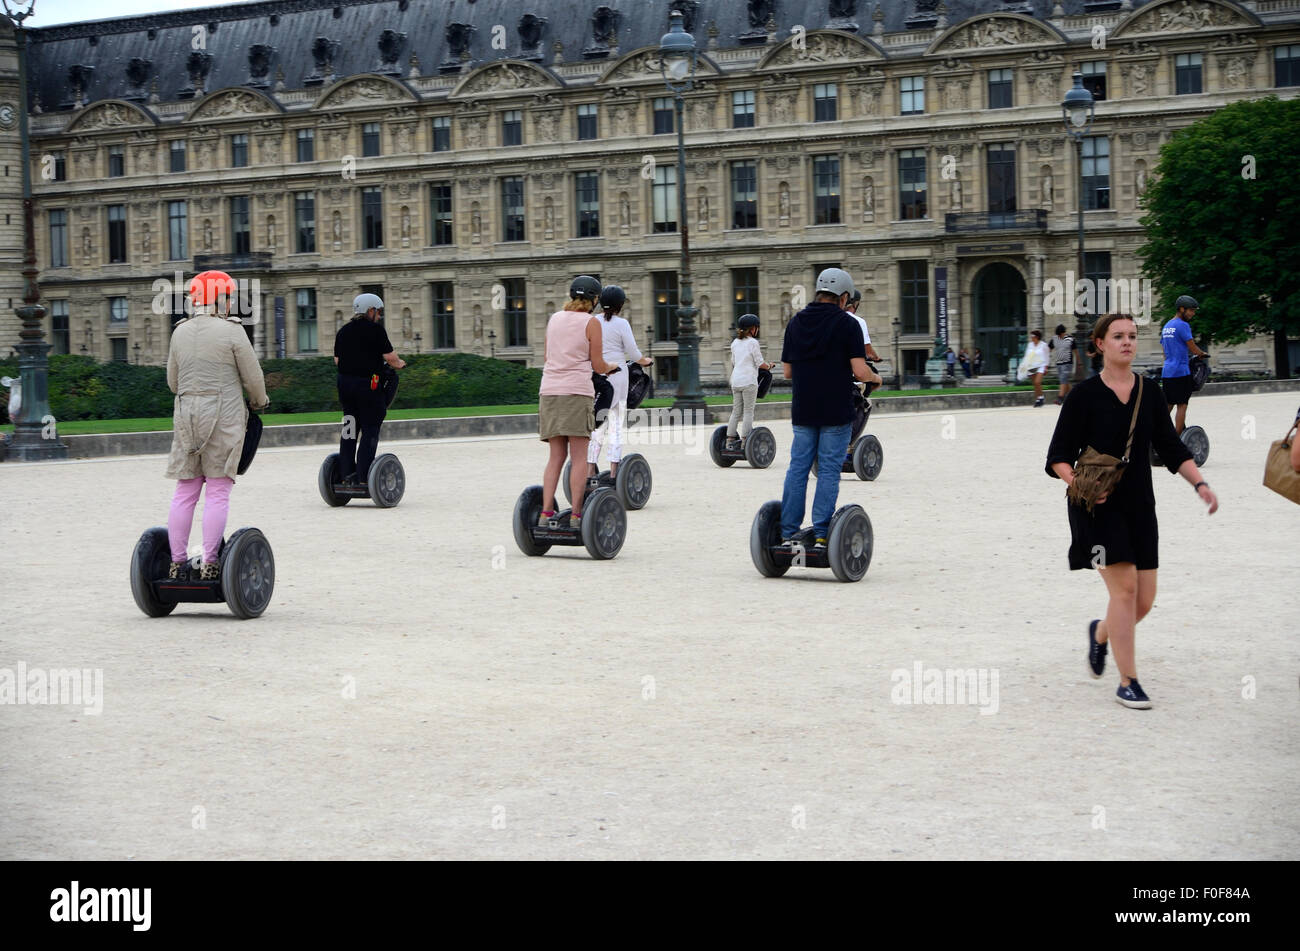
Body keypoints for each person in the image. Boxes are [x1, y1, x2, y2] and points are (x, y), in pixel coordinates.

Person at [1046, 313, 1218, 710]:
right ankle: (1128, 681)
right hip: (1096, 509)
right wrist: (1081, 485)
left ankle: (1101, 633)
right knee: (1123, 592)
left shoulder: (1150, 392)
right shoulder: (1083, 396)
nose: (1127, 342)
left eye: (1132, 336)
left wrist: (1201, 484)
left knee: (1143, 602)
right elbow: (1057, 457)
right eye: (1118, 336)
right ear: (1100, 344)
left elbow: (1172, 448)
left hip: (1140, 506)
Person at [164, 270, 269, 581]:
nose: (230, 304)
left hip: (186, 418)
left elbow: (172, 381)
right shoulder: (232, 332)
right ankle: (210, 562)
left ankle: (176, 562)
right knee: (218, 491)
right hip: (223, 417)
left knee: (185, 491)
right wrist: (259, 401)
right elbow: (253, 377)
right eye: (228, 297)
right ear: (218, 298)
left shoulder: (179, 332)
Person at [779, 268, 880, 548]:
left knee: (798, 468)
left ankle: (788, 533)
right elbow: (860, 372)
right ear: (844, 296)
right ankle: (822, 533)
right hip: (836, 408)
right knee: (828, 471)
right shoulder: (847, 324)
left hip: (803, 408)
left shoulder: (796, 322)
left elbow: (787, 372)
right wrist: (875, 378)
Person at [538, 276, 621, 529]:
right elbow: (597, 364)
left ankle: (545, 513)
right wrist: (611, 367)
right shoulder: (591, 323)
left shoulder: (554, 319)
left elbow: (547, 356)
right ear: (595, 300)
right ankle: (576, 515)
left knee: (555, 457)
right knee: (579, 457)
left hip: (549, 392)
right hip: (576, 393)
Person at [334, 293, 406, 486]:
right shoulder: (375, 330)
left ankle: (345, 474)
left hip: (345, 388)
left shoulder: (343, 331)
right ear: (370, 310)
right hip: (368, 387)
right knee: (370, 430)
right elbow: (391, 358)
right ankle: (364, 477)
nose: (379, 316)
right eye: (378, 312)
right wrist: (400, 364)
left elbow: (337, 360)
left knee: (349, 430)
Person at [586, 284, 652, 478]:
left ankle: (589, 471)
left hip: (596, 375)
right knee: (615, 425)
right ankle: (615, 474)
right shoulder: (622, 324)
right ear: (620, 305)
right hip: (618, 376)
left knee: (597, 424)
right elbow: (633, 352)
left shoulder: (592, 321)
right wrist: (645, 361)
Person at [1160, 294, 1208, 434]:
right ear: (1181, 309)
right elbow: (1192, 347)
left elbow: (1164, 349)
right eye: (1191, 310)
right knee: (1182, 405)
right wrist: (1201, 354)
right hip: (1181, 372)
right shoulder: (1183, 325)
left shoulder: (1167, 326)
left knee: (1168, 405)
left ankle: (1157, 434)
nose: (1193, 313)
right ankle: (1177, 438)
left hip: (1167, 371)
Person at [725, 313, 770, 451]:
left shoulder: (735, 343)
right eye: (756, 327)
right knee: (748, 411)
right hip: (749, 381)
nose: (757, 330)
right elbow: (759, 363)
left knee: (736, 411)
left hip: (736, 381)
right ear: (752, 329)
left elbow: (734, 362)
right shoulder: (753, 343)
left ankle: (730, 441)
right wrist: (769, 366)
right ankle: (745, 441)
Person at [845, 290, 882, 362]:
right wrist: (876, 357)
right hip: (851, 365)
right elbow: (868, 350)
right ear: (855, 304)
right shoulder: (858, 321)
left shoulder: (834, 318)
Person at [1022, 330, 1050, 406]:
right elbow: (1026, 355)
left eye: (1032, 336)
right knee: (1035, 384)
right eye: (1031, 337)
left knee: (1037, 382)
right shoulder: (1030, 345)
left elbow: (1047, 356)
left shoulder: (1043, 345)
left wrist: (1046, 367)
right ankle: (1039, 399)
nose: (1031, 338)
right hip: (1032, 366)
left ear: (1037, 337)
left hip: (1041, 365)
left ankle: (1041, 397)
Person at [1051, 323, 1075, 405]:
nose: (1060, 336)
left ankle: (1060, 398)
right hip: (1059, 363)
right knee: (1065, 381)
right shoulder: (1055, 338)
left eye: (1061, 334)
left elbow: (1075, 350)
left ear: (1063, 332)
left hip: (1068, 363)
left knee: (1063, 380)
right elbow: (1049, 348)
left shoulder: (1070, 338)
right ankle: (1074, 396)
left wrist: (1079, 361)